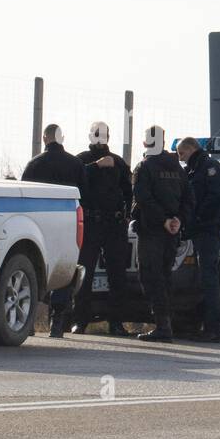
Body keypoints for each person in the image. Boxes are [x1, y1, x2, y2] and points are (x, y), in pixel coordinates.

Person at [21, 123, 87, 338]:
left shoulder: (35, 163)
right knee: (64, 271)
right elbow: (84, 196)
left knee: (34, 270)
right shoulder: (76, 164)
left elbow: (24, 196)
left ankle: (27, 322)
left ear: (44, 138)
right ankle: (57, 322)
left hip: (39, 225)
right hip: (68, 223)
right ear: (62, 138)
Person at [131, 125, 193, 343]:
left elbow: (143, 199)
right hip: (171, 234)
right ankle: (166, 324)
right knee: (165, 277)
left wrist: (164, 221)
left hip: (152, 232)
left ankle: (162, 326)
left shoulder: (145, 167)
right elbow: (188, 199)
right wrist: (178, 220)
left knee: (150, 276)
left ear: (146, 142)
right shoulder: (178, 169)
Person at [71, 121, 133, 337]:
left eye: (103, 134)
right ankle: (81, 320)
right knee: (84, 273)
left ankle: (116, 323)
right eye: (96, 134)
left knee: (117, 275)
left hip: (114, 226)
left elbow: (129, 191)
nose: (100, 137)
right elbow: (74, 181)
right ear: (90, 136)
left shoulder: (118, 162)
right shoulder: (81, 160)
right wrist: (96, 165)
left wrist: (126, 216)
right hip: (91, 224)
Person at [176, 136, 220, 342]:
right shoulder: (192, 169)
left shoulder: (209, 166)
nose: (180, 158)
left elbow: (214, 197)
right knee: (203, 281)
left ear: (191, 149)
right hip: (198, 230)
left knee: (209, 280)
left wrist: (196, 218)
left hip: (208, 230)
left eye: (182, 153)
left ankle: (215, 329)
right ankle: (206, 326)